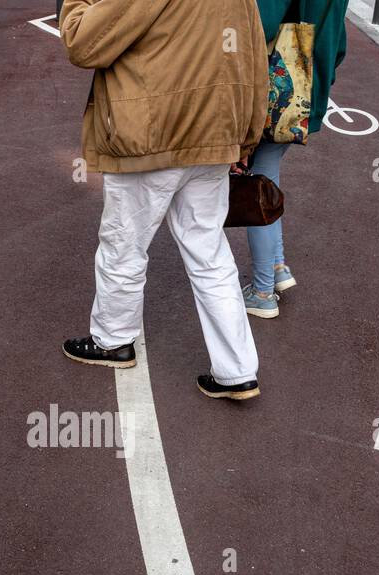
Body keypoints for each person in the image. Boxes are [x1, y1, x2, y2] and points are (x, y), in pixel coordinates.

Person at [59, 0, 270, 401]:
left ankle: (112, 340)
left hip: (149, 133)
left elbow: (83, 43)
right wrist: (246, 136)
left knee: (125, 245)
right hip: (214, 132)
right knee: (209, 251)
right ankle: (237, 369)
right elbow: (255, 56)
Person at [240, 0, 349, 319]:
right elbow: (339, 43)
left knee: (257, 184)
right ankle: (277, 267)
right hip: (307, 85)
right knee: (267, 175)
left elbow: (260, 25)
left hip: (276, 84)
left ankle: (262, 291)